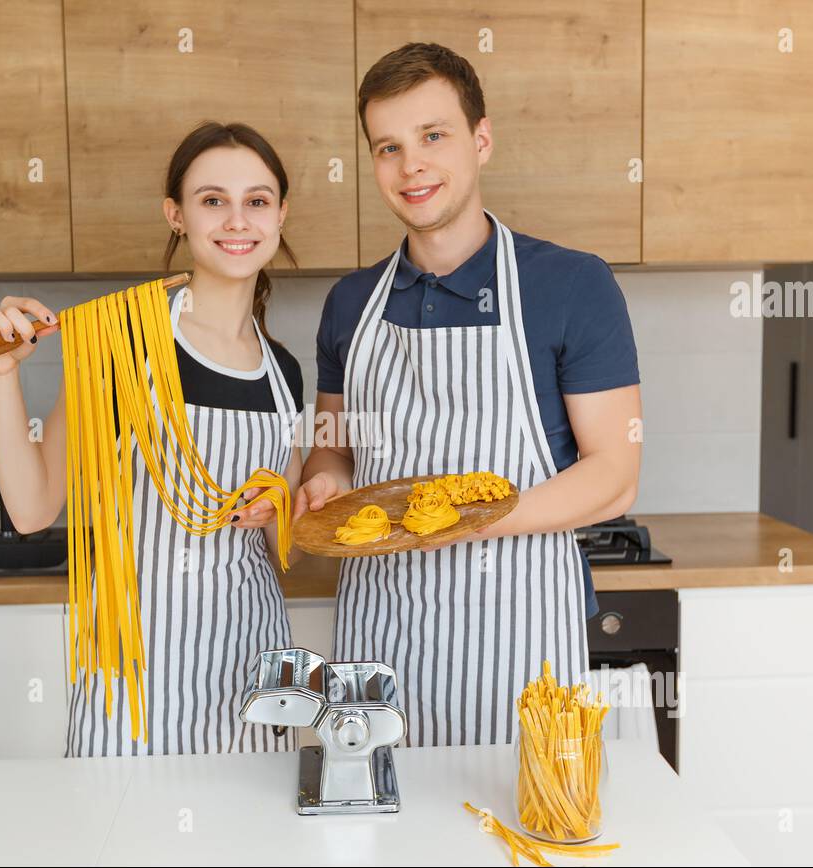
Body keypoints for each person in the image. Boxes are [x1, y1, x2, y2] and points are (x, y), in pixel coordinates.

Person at [251, 42, 643, 748]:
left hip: (522, 637)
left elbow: (614, 476)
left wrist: (453, 518)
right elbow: (334, 451)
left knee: (516, 841)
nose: (412, 166)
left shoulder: (572, 285)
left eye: (433, 136)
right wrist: (322, 485)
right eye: (388, 147)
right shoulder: (351, 303)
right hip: (381, 633)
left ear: (481, 140)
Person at [0, 122, 305, 756]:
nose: (238, 220)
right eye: (212, 200)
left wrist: (279, 501)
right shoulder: (121, 345)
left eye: (257, 200)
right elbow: (33, 509)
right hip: (135, 678)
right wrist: (2, 374)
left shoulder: (283, 369)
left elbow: (276, 536)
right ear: (176, 215)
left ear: (280, 214)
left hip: (254, 665)